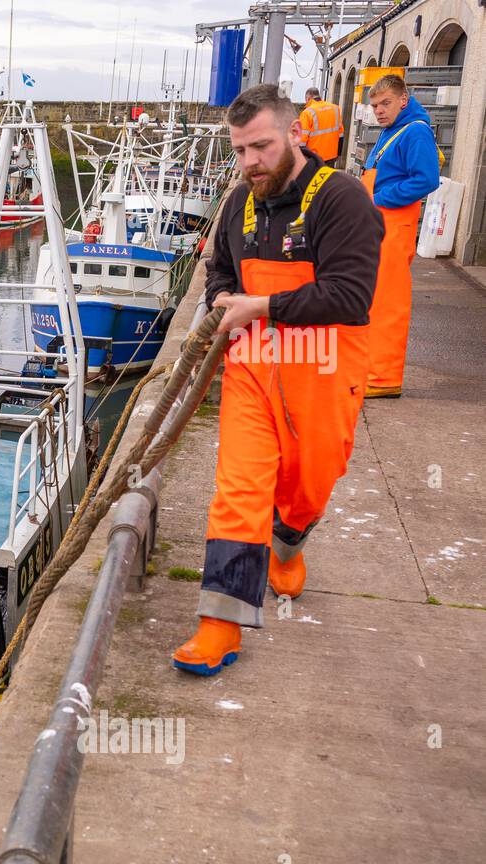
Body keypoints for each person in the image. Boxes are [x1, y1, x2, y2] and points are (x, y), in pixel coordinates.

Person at [171, 83, 384, 676]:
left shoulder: (341, 200)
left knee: (309, 484)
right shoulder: (240, 202)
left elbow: (350, 294)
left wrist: (257, 306)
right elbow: (217, 271)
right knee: (238, 491)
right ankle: (220, 623)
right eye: (239, 150)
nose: (250, 162)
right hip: (252, 371)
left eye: (260, 146)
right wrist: (221, 300)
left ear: (295, 133)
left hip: (323, 370)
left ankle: (289, 541)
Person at [361, 74, 442, 398]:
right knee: (373, 299)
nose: (379, 111)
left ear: (403, 100)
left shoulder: (416, 132)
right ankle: (372, 369)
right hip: (382, 223)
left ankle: (383, 378)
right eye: (375, 105)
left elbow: (426, 180)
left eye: (385, 104)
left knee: (387, 303)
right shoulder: (393, 130)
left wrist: (379, 199)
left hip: (393, 224)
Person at [299, 87, 343, 165]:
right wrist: (339, 153)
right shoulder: (335, 109)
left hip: (314, 158)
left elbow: (301, 141)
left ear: (308, 98)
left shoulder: (307, 113)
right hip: (331, 156)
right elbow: (341, 134)